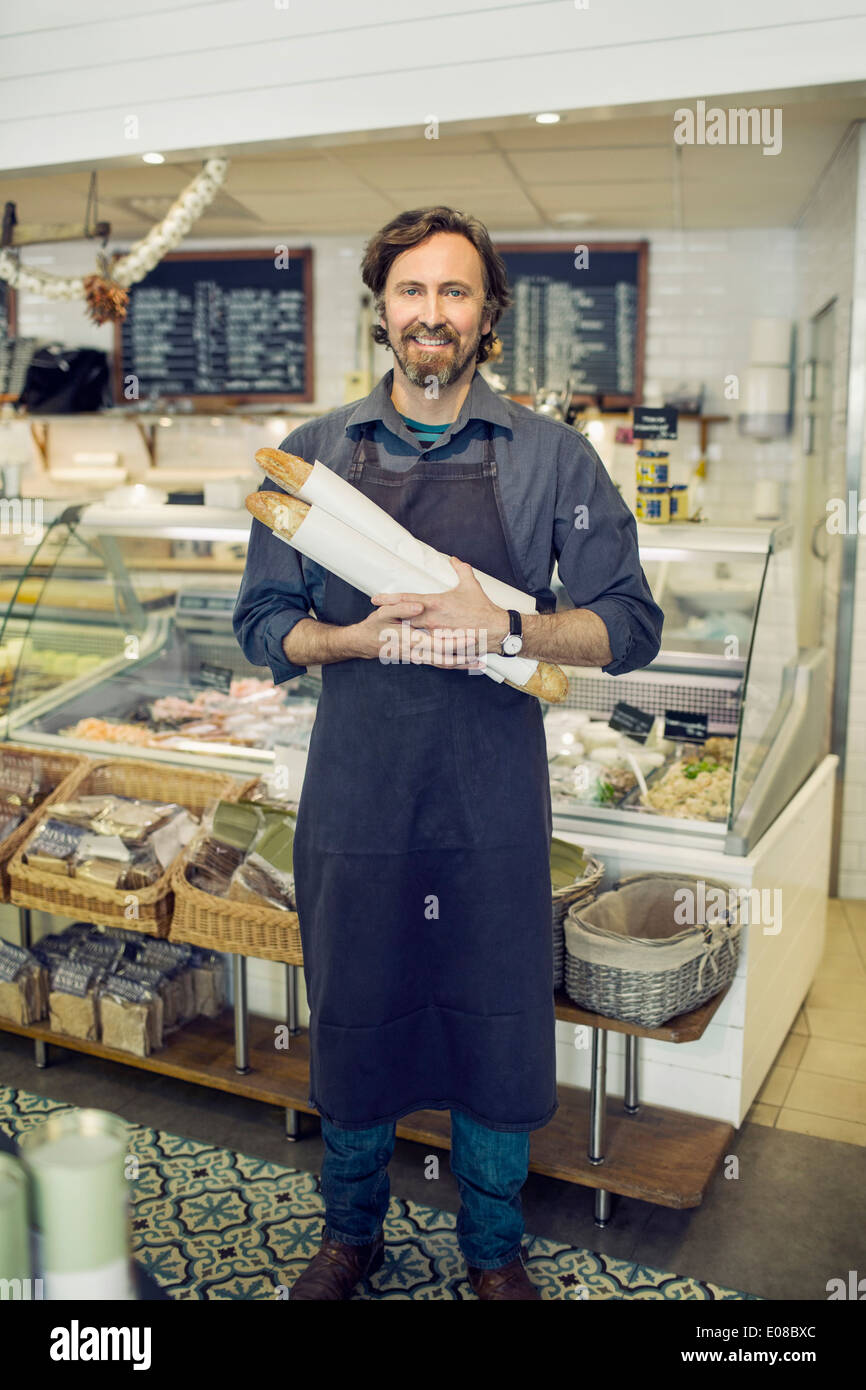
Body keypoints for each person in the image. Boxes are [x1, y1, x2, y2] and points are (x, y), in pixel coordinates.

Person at [233, 206, 664, 1301]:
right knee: (356, 1010)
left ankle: (491, 1247)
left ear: (488, 317)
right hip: (359, 798)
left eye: (455, 292)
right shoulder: (315, 459)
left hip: (489, 808)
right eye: (411, 292)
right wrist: (347, 637)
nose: (432, 313)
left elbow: (628, 622)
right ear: (383, 309)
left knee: (497, 1017)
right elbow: (260, 626)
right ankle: (349, 1235)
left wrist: (505, 628)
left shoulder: (550, 458)